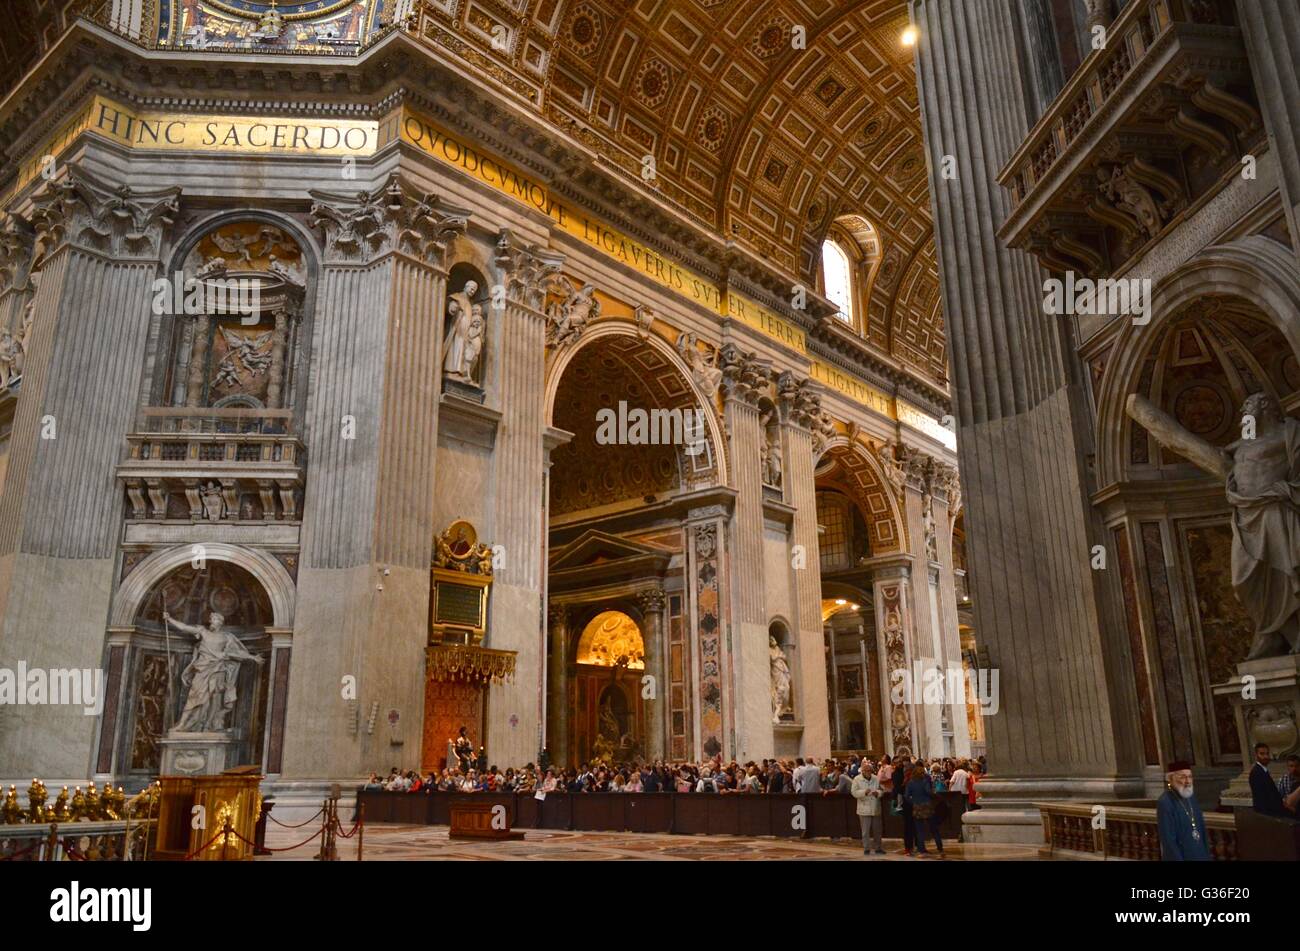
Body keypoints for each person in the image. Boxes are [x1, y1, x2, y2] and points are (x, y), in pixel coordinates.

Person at [1156, 761, 1210, 861]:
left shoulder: (1191, 798)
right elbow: (1168, 841)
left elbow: (1202, 832)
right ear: (1170, 779)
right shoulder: (1165, 802)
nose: (1188, 781)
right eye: (1182, 777)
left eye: (1190, 777)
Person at [904, 764, 943, 857]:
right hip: (927, 806)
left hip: (917, 807)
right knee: (934, 829)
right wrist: (935, 796)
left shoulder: (910, 783)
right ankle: (940, 849)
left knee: (919, 830)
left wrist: (913, 802)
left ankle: (922, 851)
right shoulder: (924, 781)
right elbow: (928, 792)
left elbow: (906, 796)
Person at [851, 763, 884, 855]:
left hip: (875, 807)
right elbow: (853, 792)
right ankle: (866, 848)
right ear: (862, 771)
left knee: (877, 830)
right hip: (864, 808)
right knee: (865, 831)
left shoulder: (876, 778)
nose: (869, 772)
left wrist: (878, 793)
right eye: (866, 771)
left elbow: (882, 790)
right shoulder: (857, 779)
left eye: (870, 771)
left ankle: (878, 848)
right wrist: (864, 792)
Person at [1250, 743, 1288, 817]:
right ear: (1256, 755)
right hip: (1267, 814)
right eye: (1262, 754)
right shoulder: (1256, 772)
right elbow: (1261, 798)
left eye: (1267, 753)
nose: (1266, 756)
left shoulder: (1263, 770)